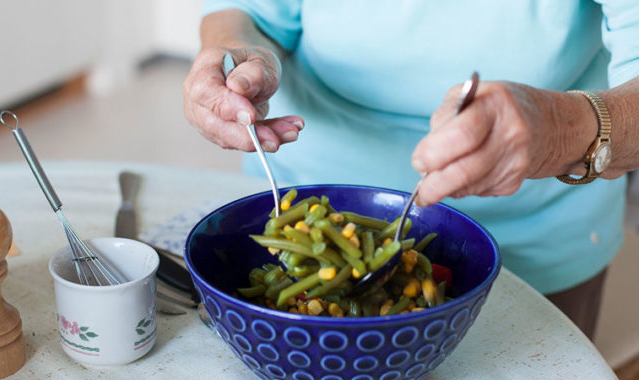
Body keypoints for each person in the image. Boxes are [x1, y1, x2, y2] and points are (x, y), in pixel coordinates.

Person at [183, 1, 639, 339]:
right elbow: (249, 12)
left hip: (536, 241)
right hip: (297, 200)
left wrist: (561, 131)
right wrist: (233, 55)